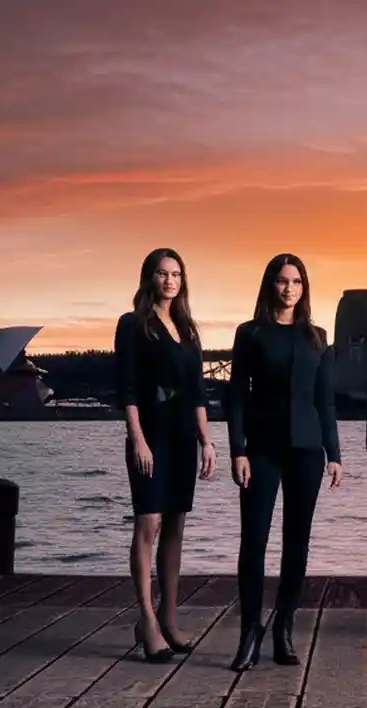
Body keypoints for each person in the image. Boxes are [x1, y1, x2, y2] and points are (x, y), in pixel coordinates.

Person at [226, 253, 343, 672]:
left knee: (297, 543)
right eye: (281, 280)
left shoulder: (317, 336)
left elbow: (325, 401)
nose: (289, 288)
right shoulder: (250, 333)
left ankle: (284, 627)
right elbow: (236, 396)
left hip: (308, 452)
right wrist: (237, 449)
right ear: (270, 285)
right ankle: (250, 633)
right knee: (253, 542)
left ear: (304, 287)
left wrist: (336, 454)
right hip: (261, 450)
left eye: (296, 281)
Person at [114, 248, 217, 663]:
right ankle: (146, 620)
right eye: (162, 273)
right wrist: (137, 439)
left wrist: (207, 441)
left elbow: (197, 391)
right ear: (149, 278)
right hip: (151, 433)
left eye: (176, 274)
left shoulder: (187, 329)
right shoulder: (133, 324)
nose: (169, 281)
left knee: (176, 522)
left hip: (180, 436)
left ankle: (169, 618)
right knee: (149, 521)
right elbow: (128, 386)